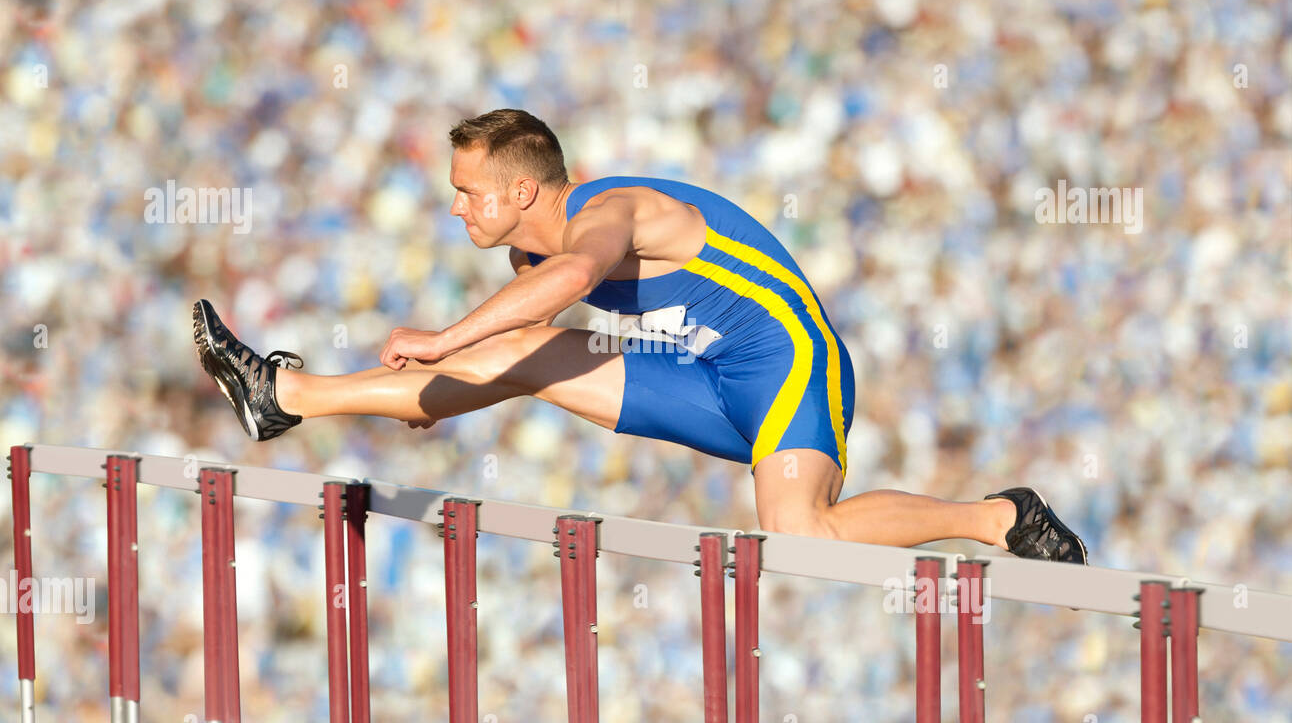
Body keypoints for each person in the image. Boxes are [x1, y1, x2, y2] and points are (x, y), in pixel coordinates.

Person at [192, 108, 1087, 563]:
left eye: (468, 191)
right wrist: (440, 388)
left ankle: (998, 517)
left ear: (523, 191)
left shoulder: (605, 213)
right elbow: (515, 346)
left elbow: (575, 280)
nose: (456, 206)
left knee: (800, 537)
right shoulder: (531, 251)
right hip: (697, 373)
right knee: (517, 357)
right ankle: (285, 394)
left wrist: (441, 341)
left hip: (784, 360)